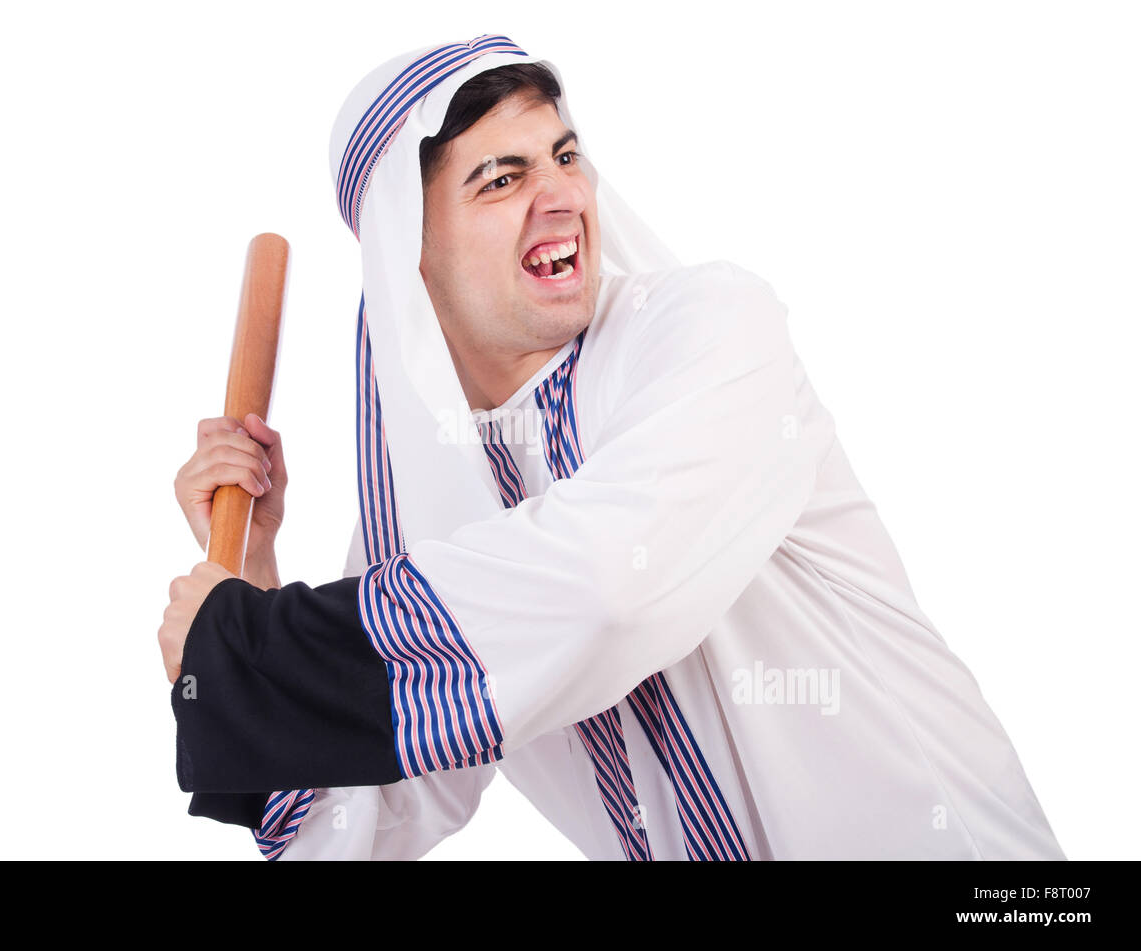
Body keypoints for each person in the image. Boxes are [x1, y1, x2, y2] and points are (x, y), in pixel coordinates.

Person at [159, 34, 1066, 861]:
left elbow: (607, 590)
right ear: (411, 251)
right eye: (501, 178)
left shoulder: (710, 329)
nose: (562, 194)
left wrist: (252, 645)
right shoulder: (434, 540)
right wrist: (256, 576)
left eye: (563, 156)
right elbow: (341, 828)